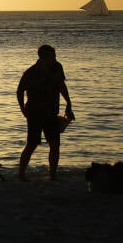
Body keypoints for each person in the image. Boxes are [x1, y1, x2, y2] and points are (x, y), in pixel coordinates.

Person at [16, 45, 75, 181]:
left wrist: (69, 103)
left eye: (54, 56)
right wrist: (22, 109)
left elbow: (61, 85)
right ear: (43, 58)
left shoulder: (57, 68)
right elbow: (20, 91)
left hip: (51, 112)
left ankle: (52, 175)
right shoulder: (31, 72)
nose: (54, 59)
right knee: (32, 144)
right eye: (52, 57)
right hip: (34, 112)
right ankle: (21, 174)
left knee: (55, 144)